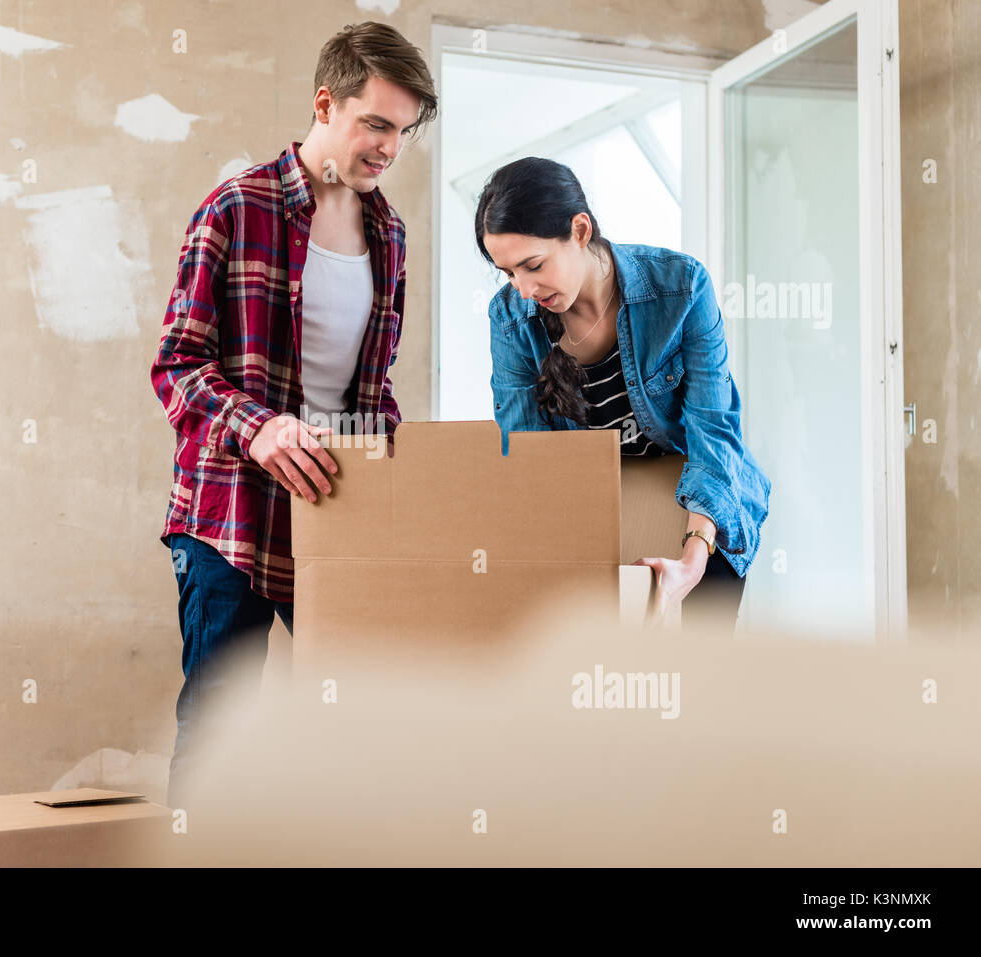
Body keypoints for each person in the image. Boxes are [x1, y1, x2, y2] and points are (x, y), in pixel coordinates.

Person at [150, 21, 437, 807]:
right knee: (218, 735)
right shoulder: (236, 207)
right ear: (324, 103)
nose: (388, 148)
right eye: (375, 124)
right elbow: (177, 366)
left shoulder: (390, 235)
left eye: (403, 133)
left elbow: (371, 391)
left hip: (336, 514)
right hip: (230, 521)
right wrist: (261, 425)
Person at [476, 157, 771, 635]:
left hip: (698, 505)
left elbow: (713, 430)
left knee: (696, 672)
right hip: (593, 511)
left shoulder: (680, 287)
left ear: (579, 229)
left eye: (533, 265)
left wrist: (693, 559)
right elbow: (526, 452)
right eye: (508, 273)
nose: (525, 290)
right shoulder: (510, 318)